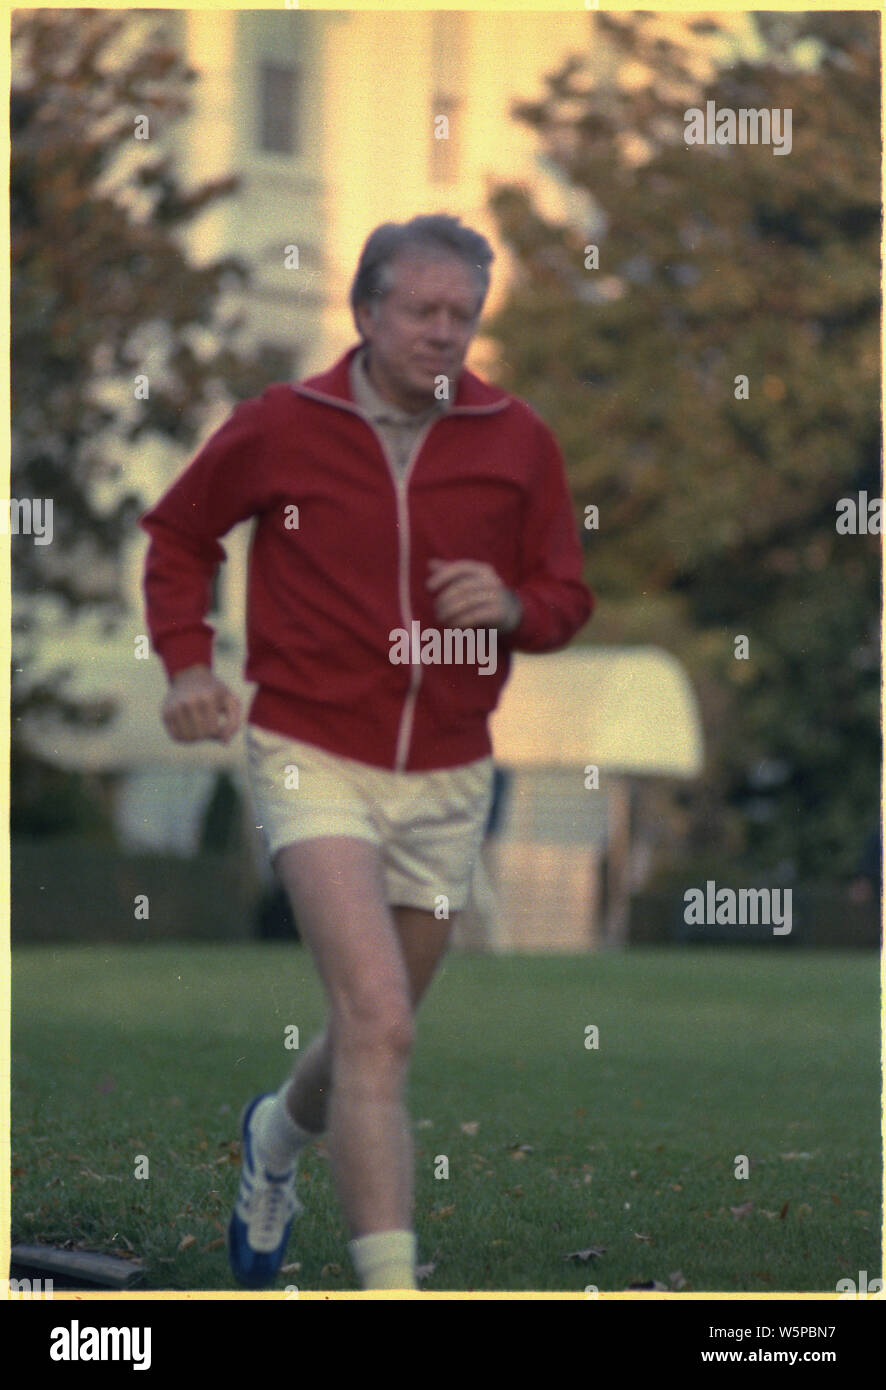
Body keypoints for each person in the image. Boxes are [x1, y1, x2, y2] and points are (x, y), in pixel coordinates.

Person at [140, 213, 595, 1292]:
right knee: (380, 1019)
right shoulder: (281, 424)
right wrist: (188, 665)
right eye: (422, 310)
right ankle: (389, 1282)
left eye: (463, 315)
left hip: (448, 770)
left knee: (368, 1031)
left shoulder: (516, 439)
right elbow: (179, 534)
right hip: (311, 747)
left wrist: (514, 606)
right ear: (366, 311)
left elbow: (567, 597)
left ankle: (272, 1143)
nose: (444, 334)